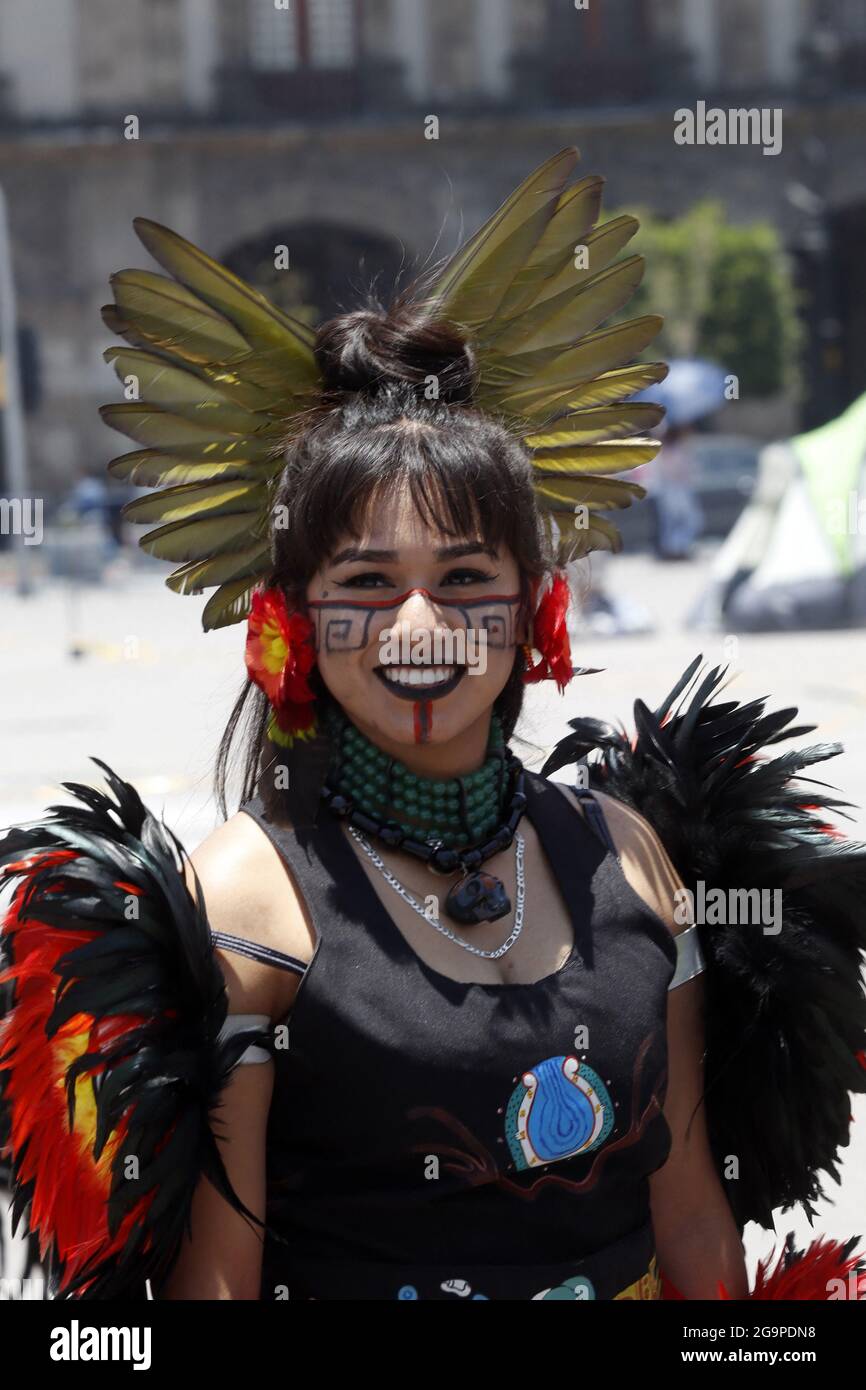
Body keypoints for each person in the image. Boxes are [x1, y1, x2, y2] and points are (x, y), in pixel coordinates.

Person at [1, 149, 864, 1304]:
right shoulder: (246, 899)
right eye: (364, 580)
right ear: (288, 619)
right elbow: (217, 1288)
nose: (421, 623)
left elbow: (694, 1228)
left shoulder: (634, 856)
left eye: (465, 576)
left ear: (539, 609)